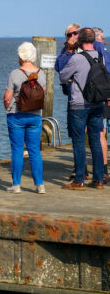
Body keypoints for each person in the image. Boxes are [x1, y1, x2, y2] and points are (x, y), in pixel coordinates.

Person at [59, 28, 106, 189]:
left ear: (80, 41)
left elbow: (63, 76)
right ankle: (98, 179)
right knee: (95, 141)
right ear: (93, 40)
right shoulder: (100, 57)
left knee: (79, 142)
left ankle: (79, 179)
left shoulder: (77, 58)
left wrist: (72, 78)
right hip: (97, 103)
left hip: (79, 105)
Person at [3, 42, 46, 194]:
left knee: (17, 149)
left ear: (20, 56)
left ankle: (16, 185)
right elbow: (42, 94)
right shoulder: (41, 73)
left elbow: (7, 97)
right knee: (34, 150)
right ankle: (40, 185)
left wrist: (7, 108)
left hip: (16, 116)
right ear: (33, 56)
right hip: (35, 116)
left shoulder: (15, 73)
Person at [55, 23, 81, 180]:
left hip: (87, 99)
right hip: (73, 99)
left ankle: (99, 172)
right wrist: (68, 50)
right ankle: (80, 168)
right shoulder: (67, 52)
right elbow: (59, 67)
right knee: (76, 135)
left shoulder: (87, 49)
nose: (72, 37)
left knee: (94, 136)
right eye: (68, 35)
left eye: (74, 33)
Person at [92, 27, 110, 182]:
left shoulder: (98, 48)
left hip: (102, 98)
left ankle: (102, 170)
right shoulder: (106, 51)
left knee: (100, 133)